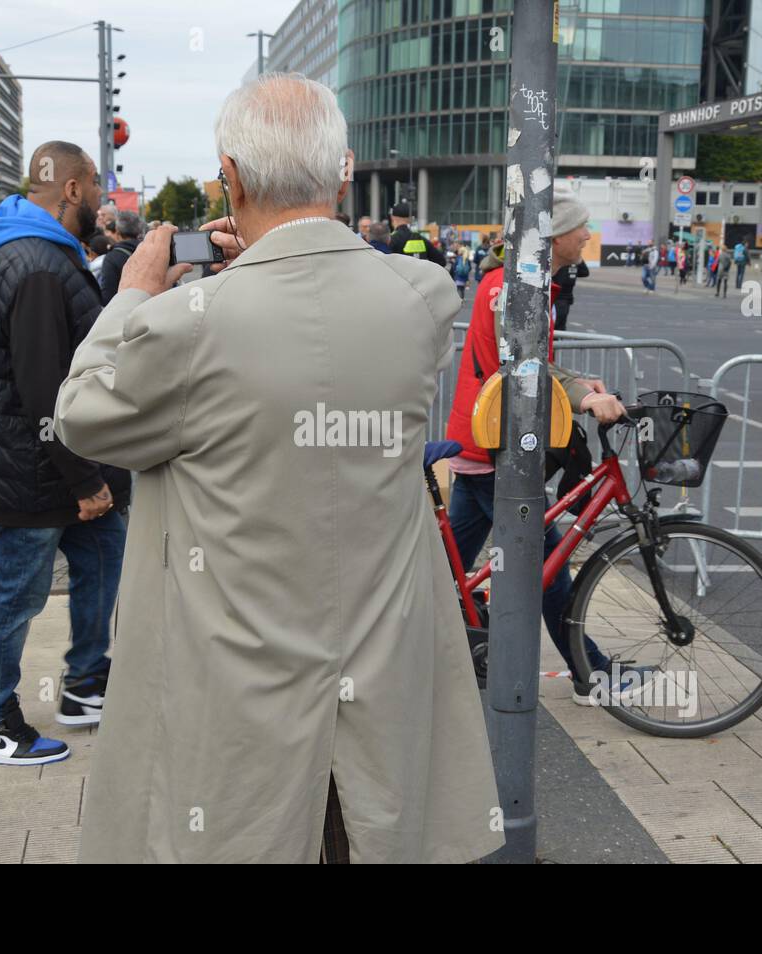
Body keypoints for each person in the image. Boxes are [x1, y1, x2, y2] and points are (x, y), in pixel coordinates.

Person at [55, 72, 501, 864]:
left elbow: (83, 412)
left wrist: (131, 297)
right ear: (344, 172)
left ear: (228, 177)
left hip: (235, 692)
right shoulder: (421, 297)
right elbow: (331, 305)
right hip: (381, 673)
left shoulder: (183, 332)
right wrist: (272, 258)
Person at [0, 140, 131, 766]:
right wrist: (84, 481)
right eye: (99, 194)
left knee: (106, 546)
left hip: (37, 467)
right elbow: (42, 388)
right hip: (28, 474)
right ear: (75, 190)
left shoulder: (40, 254)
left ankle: (85, 685)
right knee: (14, 595)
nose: (104, 207)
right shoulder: (36, 265)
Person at [444, 184, 643, 705]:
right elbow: (523, 367)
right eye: (582, 228)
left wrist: (579, 382)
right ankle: (590, 674)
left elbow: (531, 362)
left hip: (481, 442)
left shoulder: (515, 282)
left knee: (445, 570)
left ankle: (408, 637)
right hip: (496, 447)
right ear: (556, 236)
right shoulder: (516, 288)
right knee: (548, 570)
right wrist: (581, 397)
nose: (588, 237)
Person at [98, 210, 146, 305]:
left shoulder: (112, 258)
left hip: (127, 312)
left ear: (117, 230)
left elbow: (108, 297)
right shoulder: (151, 250)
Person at [388, 201, 446, 265]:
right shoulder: (421, 239)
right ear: (410, 219)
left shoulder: (391, 240)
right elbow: (441, 261)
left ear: (392, 218)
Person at [552, 255, 588, 331]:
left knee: (559, 326)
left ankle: (558, 341)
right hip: (558, 299)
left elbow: (585, 272)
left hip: (564, 299)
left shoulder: (575, 260)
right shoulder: (561, 260)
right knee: (557, 326)